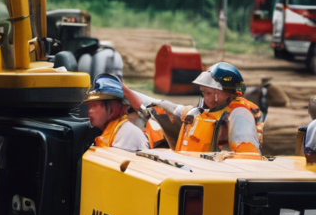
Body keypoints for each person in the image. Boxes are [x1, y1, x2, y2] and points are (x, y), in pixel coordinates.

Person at [122, 62, 264, 159]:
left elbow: (246, 160)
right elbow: (171, 108)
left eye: (207, 92)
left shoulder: (239, 114)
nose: (202, 93)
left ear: (223, 92)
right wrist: (126, 92)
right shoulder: (206, 112)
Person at [85, 73, 149, 152]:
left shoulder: (127, 134)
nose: (90, 110)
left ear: (113, 107)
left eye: (95, 105)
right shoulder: (101, 131)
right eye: (89, 106)